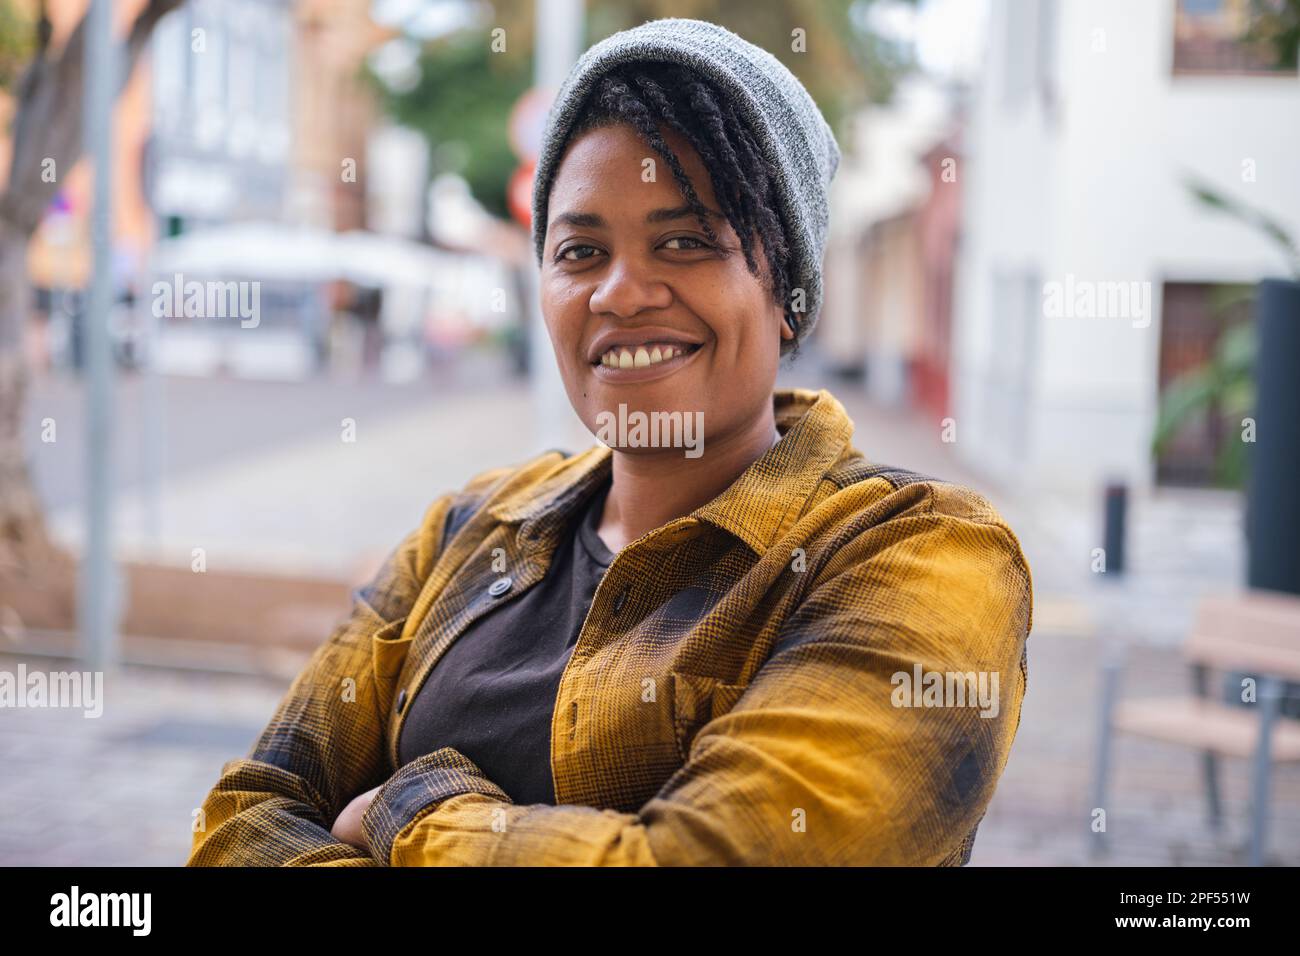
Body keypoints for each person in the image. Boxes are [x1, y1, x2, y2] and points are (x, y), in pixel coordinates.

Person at [186, 18, 1032, 867]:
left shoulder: (923, 556)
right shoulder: (469, 527)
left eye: (686, 240)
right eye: (581, 250)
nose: (621, 294)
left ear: (790, 290)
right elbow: (244, 818)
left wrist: (410, 809)